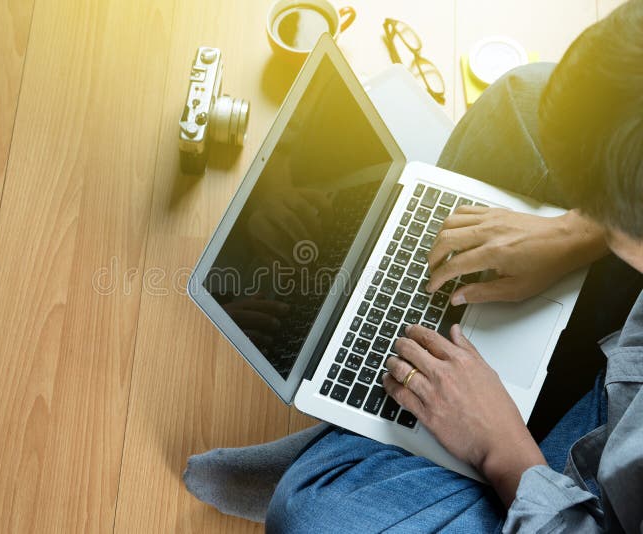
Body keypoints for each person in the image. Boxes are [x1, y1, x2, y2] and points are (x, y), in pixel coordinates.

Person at [183, 1, 643, 531]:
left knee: (306, 514)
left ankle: (375, 440)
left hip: (596, 479)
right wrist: (575, 232)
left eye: (614, 227)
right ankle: (393, 427)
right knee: (519, 102)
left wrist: (502, 448)